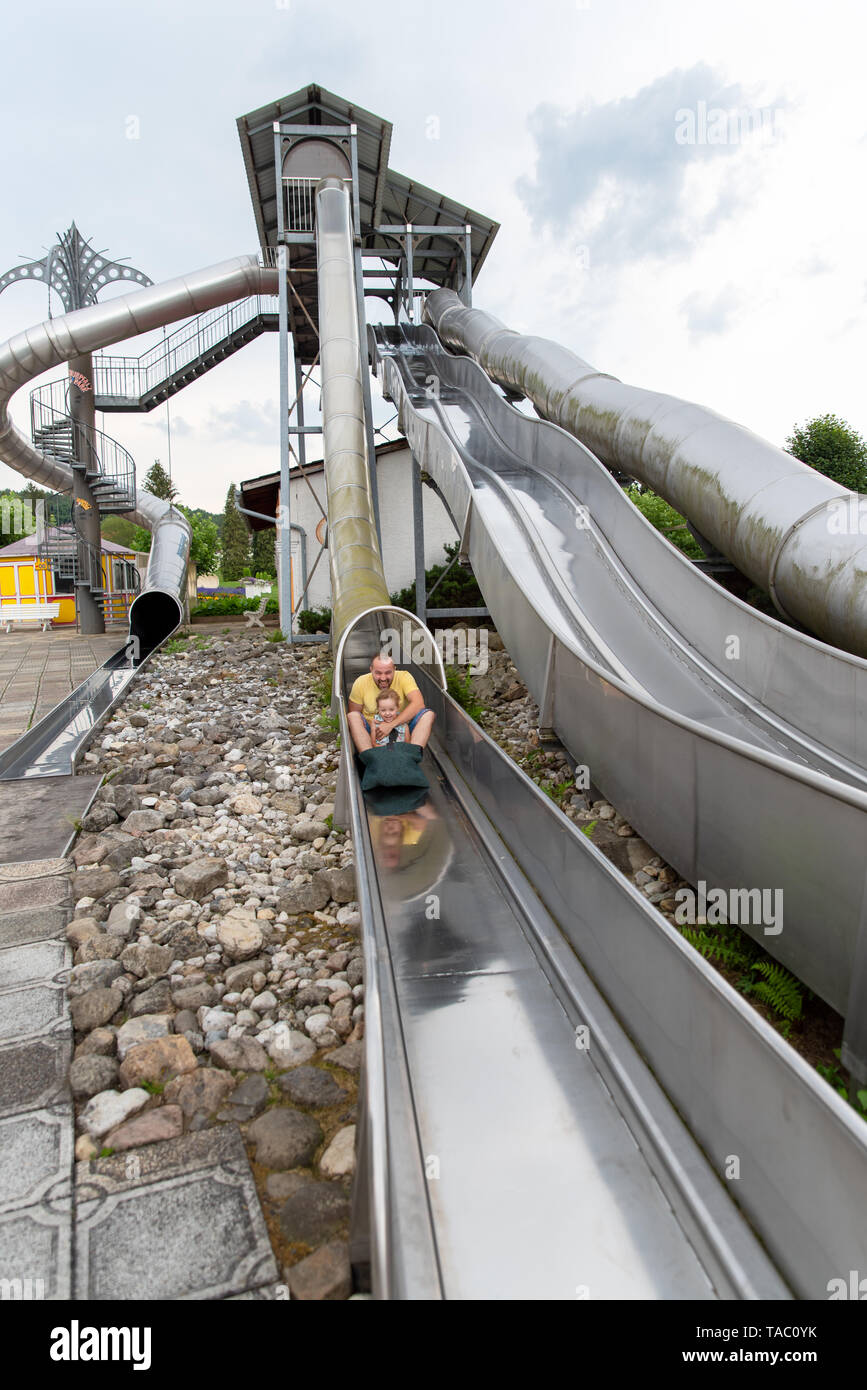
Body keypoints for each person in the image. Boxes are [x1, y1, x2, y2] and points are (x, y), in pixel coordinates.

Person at [347, 653, 435, 753]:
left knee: (428, 714)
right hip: (373, 731)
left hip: (402, 728)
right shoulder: (361, 682)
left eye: (388, 672)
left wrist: (390, 725)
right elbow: (354, 714)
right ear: (371, 669)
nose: (383, 678)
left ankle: (412, 755)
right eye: (378, 673)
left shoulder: (404, 677)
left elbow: (419, 704)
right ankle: (370, 755)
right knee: (352, 716)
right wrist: (376, 726)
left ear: (394, 669)